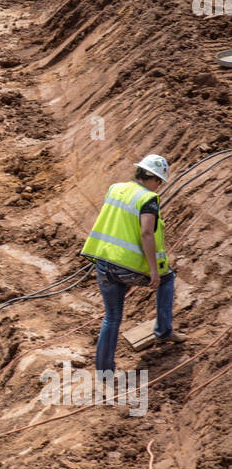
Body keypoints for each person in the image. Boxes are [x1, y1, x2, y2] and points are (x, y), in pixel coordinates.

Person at [81, 153, 184, 373]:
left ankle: (103, 369)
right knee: (167, 279)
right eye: (160, 183)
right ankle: (164, 331)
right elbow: (147, 232)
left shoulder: (115, 188)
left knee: (112, 317)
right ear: (155, 179)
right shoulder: (148, 199)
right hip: (126, 267)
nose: (159, 187)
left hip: (103, 261)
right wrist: (154, 272)